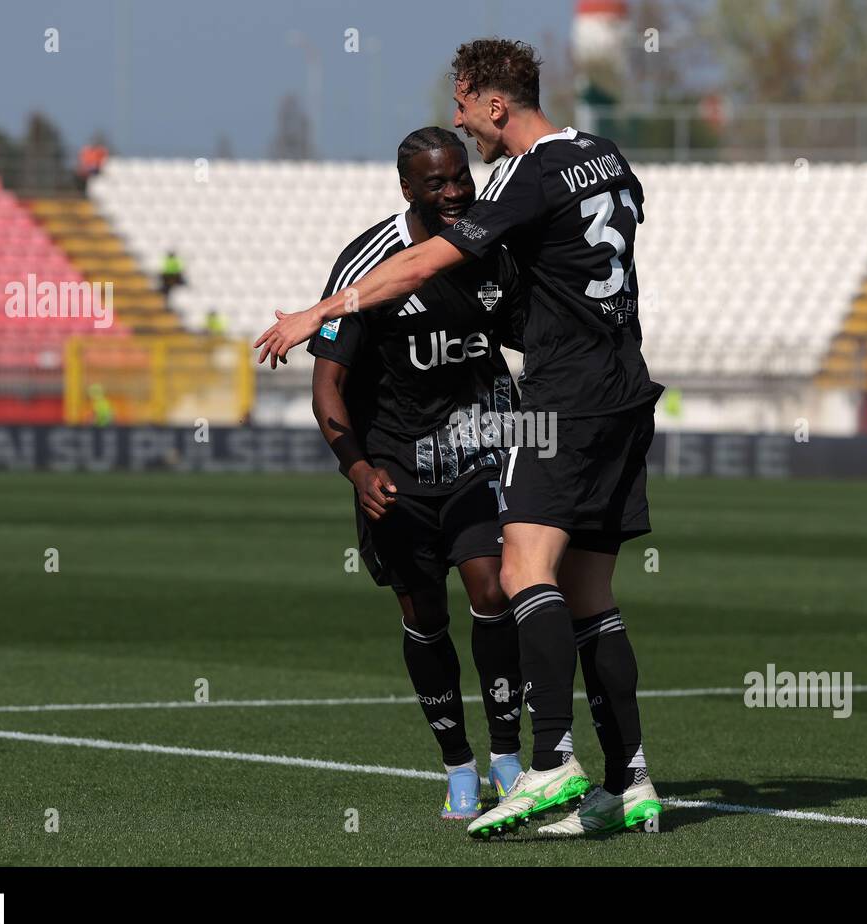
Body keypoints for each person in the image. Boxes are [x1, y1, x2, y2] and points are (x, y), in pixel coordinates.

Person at [256, 39, 664, 838]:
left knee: (521, 571)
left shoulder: (526, 174)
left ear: (495, 104)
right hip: (627, 391)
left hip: (563, 400)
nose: (462, 120)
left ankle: (548, 764)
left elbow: (422, 266)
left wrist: (320, 311)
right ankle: (630, 780)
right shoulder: (606, 156)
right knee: (591, 596)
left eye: (464, 104)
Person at [306, 127, 528, 820]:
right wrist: (357, 468)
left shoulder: (494, 249)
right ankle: (458, 766)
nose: (455, 191)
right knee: (424, 614)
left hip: (480, 451)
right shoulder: (367, 264)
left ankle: (508, 758)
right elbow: (327, 384)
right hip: (396, 469)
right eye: (438, 183)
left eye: (461, 176)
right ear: (408, 188)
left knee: (493, 590)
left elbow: (532, 331)